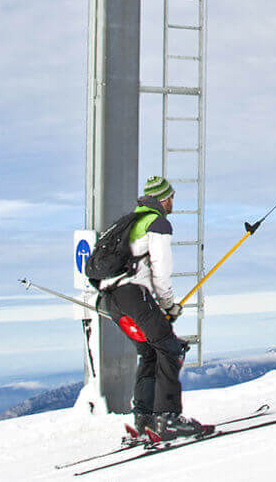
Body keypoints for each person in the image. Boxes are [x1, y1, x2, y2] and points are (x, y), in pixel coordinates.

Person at [99, 176, 212, 440]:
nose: (172, 202)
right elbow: (161, 271)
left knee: (149, 352)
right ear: (163, 199)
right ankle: (168, 419)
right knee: (171, 350)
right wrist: (168, 305)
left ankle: (144, 421)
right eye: (171, 197)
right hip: (133, 296)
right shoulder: (157, 223)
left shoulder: (128, 221)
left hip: (111, 298)